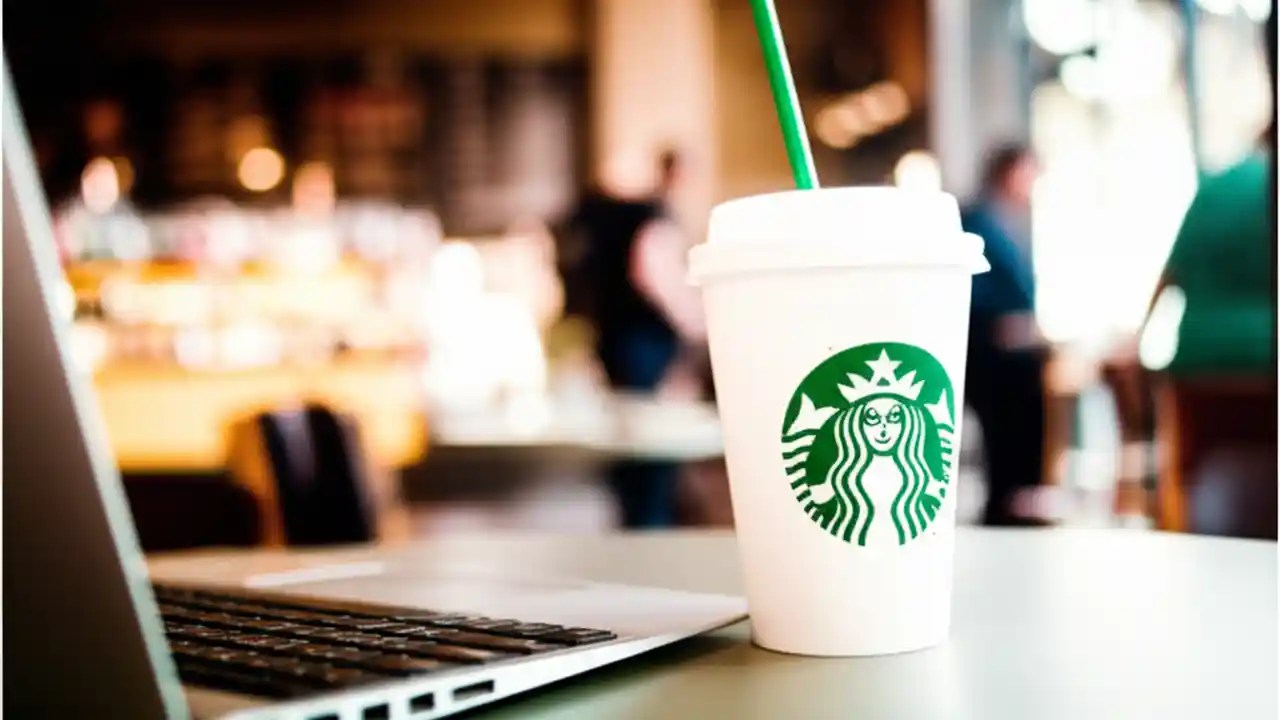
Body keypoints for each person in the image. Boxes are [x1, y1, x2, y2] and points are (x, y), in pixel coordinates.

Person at [560, 149, 704, 527]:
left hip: (615, 345)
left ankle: (636, 526)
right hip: (646, 347)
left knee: (630, 447)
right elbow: (652, 273)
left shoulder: (608, 218)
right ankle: (649, 530)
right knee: (653, 451)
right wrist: (695, 319)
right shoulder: (653, 216)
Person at [961, 143, 1048, 526]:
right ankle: (1007, 508)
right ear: (1009, 172)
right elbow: (971, 288)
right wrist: (1002, 320)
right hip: (991, 351)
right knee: (1006, 434)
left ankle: (1019, 501)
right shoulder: (978, 220)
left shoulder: (1010, 221)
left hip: (1014, 347)